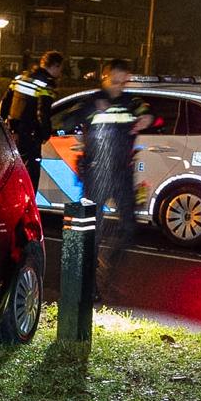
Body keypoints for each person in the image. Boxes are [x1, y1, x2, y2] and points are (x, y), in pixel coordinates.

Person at [64, 58, 152, 297]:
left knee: (129, 227)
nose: (119, 87)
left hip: (122, 173)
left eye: (123, 82)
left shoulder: (130, 101)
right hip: (96, 172)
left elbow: (147, 112)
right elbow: (67, 121)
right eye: (115, 81)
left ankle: (108, 266)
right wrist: (92, 110)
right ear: (105, 78)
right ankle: (90, 283)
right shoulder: (92, 100)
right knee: (93, 228)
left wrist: (147, 119)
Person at [0, 50, 64, 191]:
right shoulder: (46, 85)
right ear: (55, 66)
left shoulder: (21, 78)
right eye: (60, 69)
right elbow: (43, 112)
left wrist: (2, 123)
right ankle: (28, 204)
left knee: (14, 169)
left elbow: (5, 102)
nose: (60, 73)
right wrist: (45, 134)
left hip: (12, 132)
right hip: (30, 135)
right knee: (31, 173)